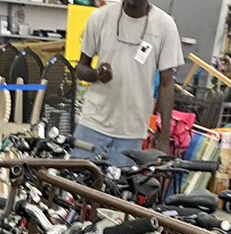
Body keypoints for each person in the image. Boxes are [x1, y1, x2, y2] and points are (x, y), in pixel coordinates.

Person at [73, 0, 184, 167]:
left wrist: (164, 139)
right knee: (75, 185)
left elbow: (166, 85)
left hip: (131, 133)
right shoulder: (100, 17)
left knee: (119, 191)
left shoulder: (165, 26)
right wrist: (96, 74)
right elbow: (80, 68)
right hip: (92, 124)